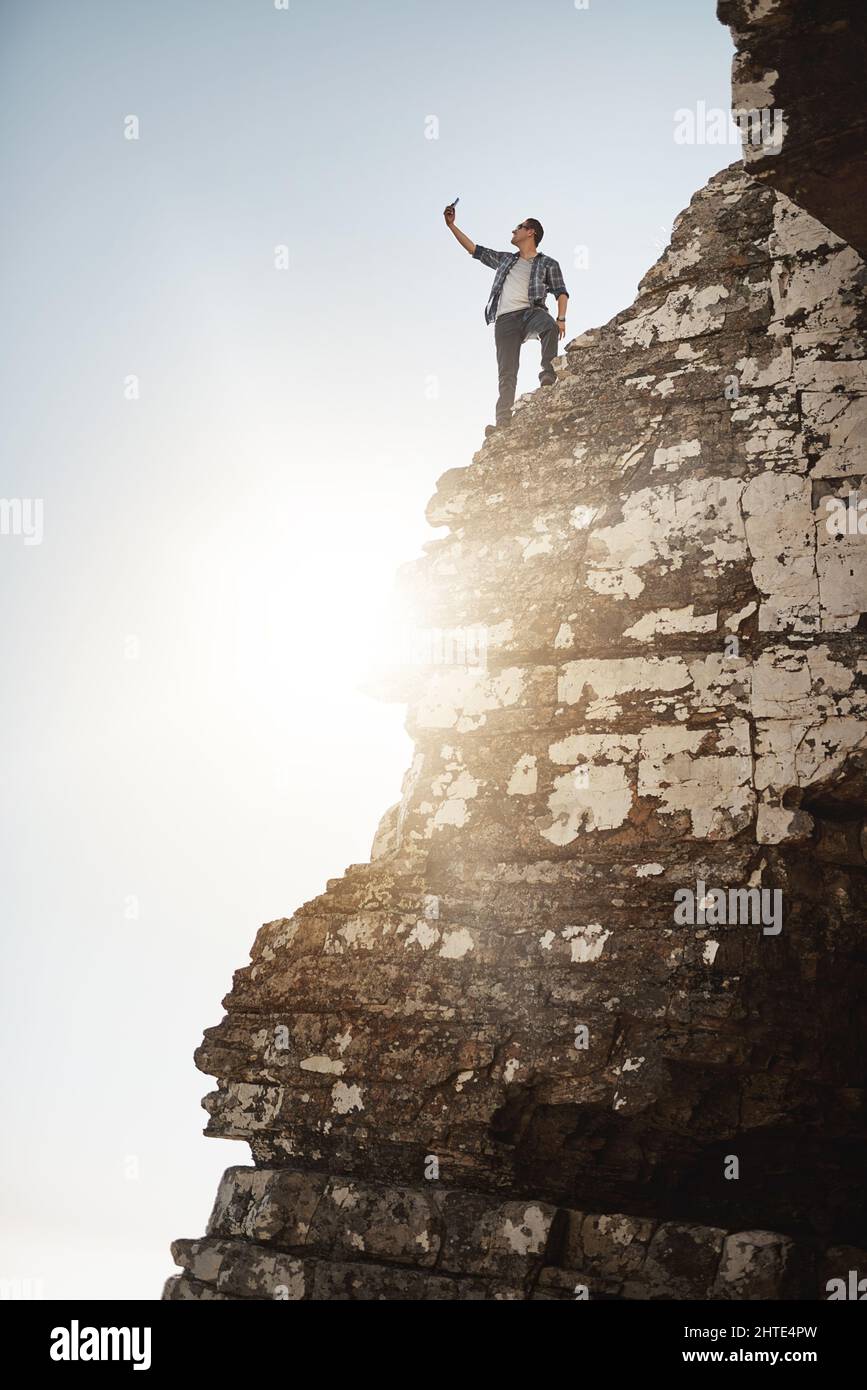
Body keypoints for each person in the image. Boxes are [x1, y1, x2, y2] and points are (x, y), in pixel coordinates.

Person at [443, 203, 569, 436]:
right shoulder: (505, 260)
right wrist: (452, 226)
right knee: (507, 372)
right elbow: (474, 250)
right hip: (505, 321)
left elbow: (561, 291)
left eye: (518, 228)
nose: (514, 231)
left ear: (530, 232)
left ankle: (548, 375)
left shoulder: (548, 263)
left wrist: (561, 318)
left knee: (549, 325)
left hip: (531, 312)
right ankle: (503, 423)